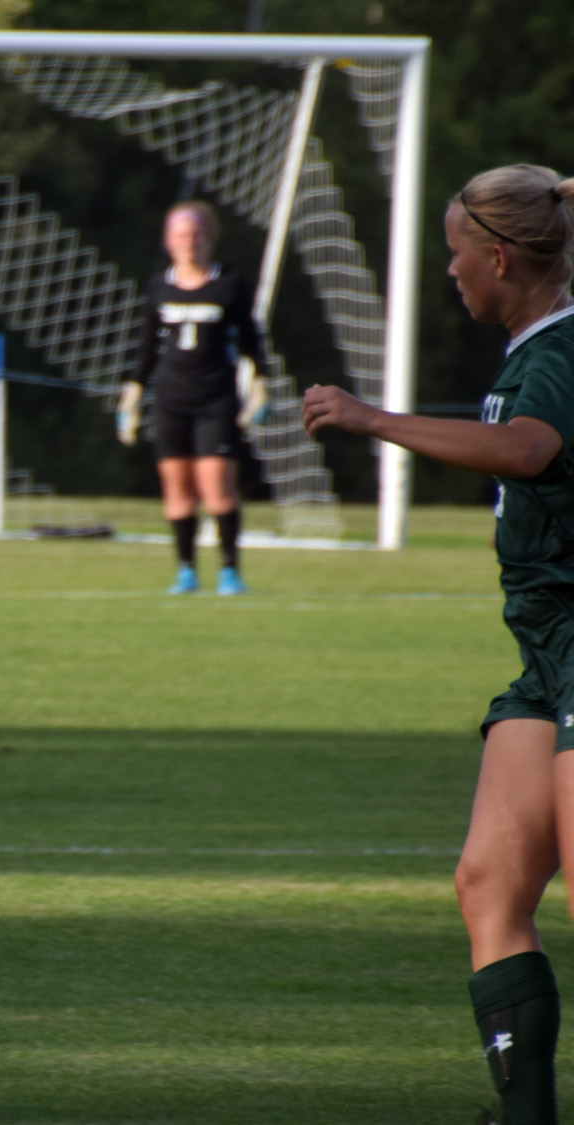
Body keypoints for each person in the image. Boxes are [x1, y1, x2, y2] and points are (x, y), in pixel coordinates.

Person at [303, 164, 574, 1125]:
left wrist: (374, 419)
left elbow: (529, 450)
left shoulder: (558, 355)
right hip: (548, 661)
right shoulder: (532, 352)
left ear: (497, 256)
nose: (450, 268)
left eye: (456, 249)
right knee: (487, 883)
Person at [117, 200, 270, 596]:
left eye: (197, 232)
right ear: (169, 240)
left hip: (216, 399)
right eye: (182, 233)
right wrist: (130, 401)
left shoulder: (229, 283)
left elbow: (253, 342)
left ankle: (229, 570)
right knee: (177, 486)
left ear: (210, 238)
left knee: (216, 483)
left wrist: (261, 388)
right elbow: (147, 348)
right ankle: (186, 570)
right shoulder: (159, 287)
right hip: (171, 400)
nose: (190, 240)